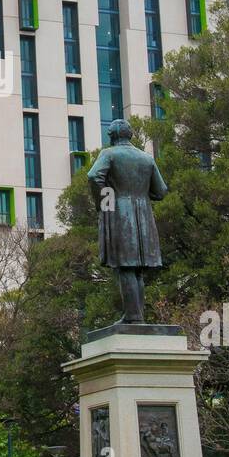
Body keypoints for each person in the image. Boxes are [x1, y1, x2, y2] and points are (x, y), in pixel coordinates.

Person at [87, 118, 167, 323]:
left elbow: (93, 176)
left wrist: (104, 202)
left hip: (120, 212)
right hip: (144, 215)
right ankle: (136, 315)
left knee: (126, 266)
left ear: (112, 136)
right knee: (137, 268)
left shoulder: (109, 154)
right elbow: (161, 191)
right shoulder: (146, 158)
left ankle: (133, 315)